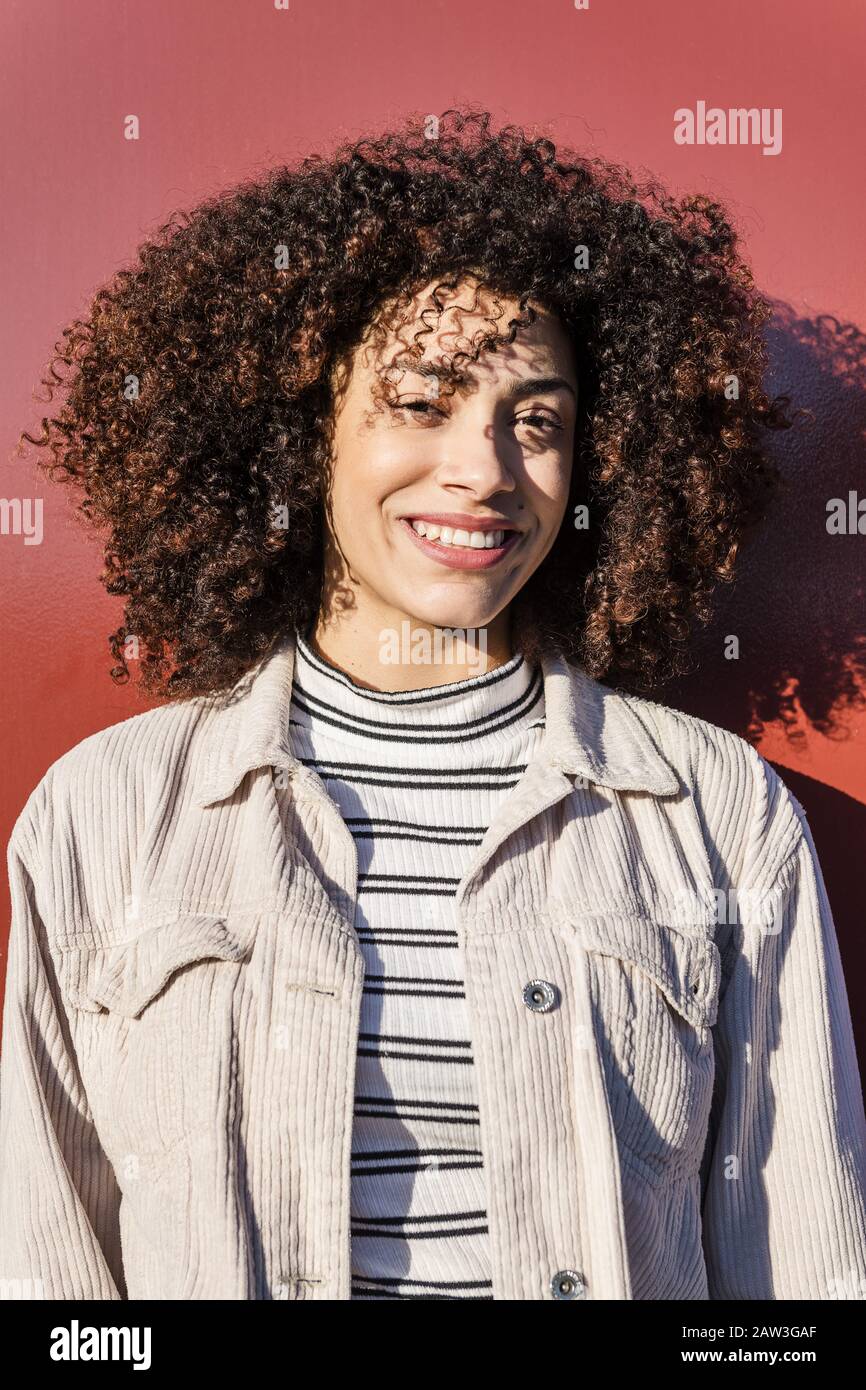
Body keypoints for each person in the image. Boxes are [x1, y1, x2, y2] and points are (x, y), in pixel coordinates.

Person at [2, 108, 865, 1301]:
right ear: (307, 438)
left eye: (536, 421)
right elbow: (52, 1268)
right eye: (419, 401)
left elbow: (800, 1258)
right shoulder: (101, 813)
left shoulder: (715, 809)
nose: (483, 468)